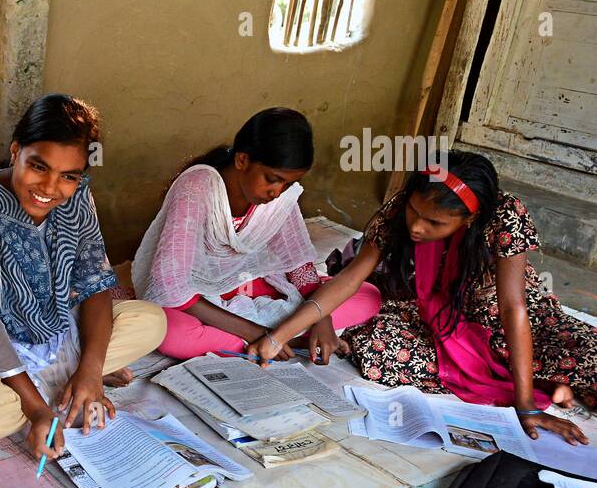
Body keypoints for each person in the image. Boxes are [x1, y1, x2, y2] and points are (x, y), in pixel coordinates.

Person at [249, 150, 592, 445]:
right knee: (376, 348)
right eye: (415, 212)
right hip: (436, 315)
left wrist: (525, 405)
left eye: (434, 223)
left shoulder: (506, 215)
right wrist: (276, 335)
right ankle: (547, 379)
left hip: (504, 319)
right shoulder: (401, 207)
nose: (416, 227)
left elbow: (512, 308)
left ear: (469, 219)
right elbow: (350, 278)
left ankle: (534, 381)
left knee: (587, 351)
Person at [0, 93, 168, 460]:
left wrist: (90, 370)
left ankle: (76, 381)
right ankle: (53, 387)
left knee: (152, 323)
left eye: (68, 176)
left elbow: (94, 281)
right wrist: (37, 411)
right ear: (15, 152)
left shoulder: (76, 198)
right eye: (39, 167)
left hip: (49, 320)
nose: (48, 188)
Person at [132, 107, 380, 363]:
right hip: (203, 298)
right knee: (171, 333)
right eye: (272, 179)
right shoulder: (196, 187)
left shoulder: (279, 198)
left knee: (367, 295)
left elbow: (298, 267)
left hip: (259, 288)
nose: (277, 192)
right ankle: (287, 339)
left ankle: (281, 337)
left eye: (287, 184)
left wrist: (322, 317)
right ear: (242, 160)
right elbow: (171, 284)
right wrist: (257, 333)